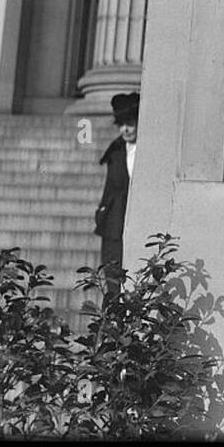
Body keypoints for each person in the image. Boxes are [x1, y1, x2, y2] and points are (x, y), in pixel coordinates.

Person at [94, 92, 138, 297]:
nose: (125, 130)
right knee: (112, 277)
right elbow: (110, 187)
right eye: (121, 125)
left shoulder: (148, 150)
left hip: (136, 218)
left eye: (130, 123)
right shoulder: (116, 150)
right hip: (114, 219)